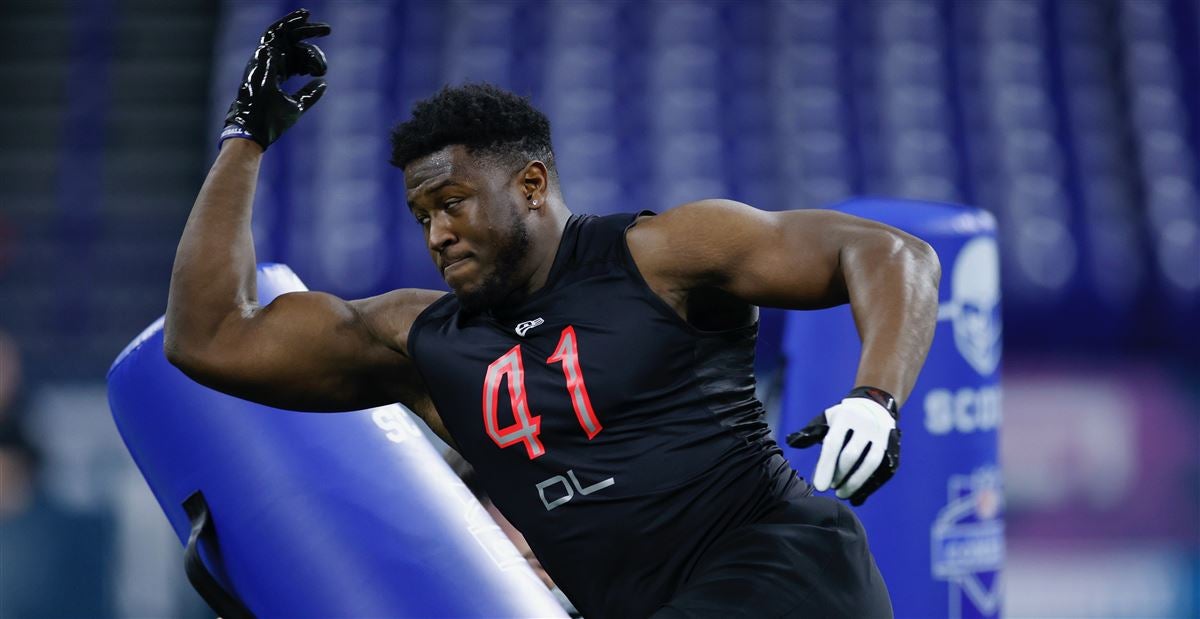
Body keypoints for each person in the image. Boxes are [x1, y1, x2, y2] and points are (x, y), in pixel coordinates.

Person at [165, 10, 940, 618]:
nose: (437, 233)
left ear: (531, 185)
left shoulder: (662, 254)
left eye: (452, 202)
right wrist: (245, 137)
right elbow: (209, 336)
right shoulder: (423, 342)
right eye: (422, 215)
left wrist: (875, 398)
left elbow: (890, 253)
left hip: (789, 577)